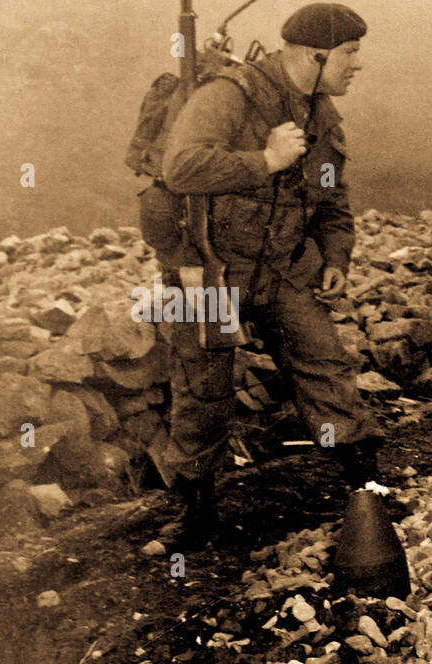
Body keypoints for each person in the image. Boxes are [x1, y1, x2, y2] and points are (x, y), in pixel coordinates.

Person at [158, 2, 382, 549]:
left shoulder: (322, 116)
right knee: (202, 391)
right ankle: (196, 514)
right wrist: (267, 161)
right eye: (350, 53)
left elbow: (332, 200)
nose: (358, 64)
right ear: (314, 55)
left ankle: (366, 492)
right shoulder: (228, 95)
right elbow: (179, 167)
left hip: (281, 268)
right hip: (208, 268)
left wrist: (335, 258)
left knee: (325, 367)